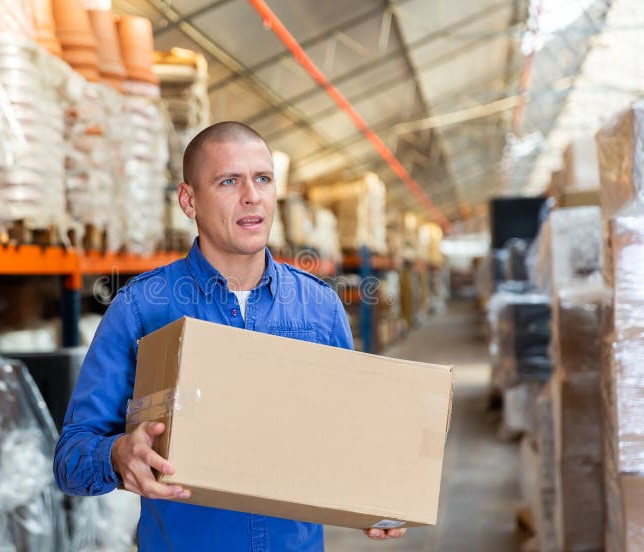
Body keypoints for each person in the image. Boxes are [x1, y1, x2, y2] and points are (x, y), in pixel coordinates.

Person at [53, 121, 407, 550]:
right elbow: (70, 459)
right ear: (189, 201)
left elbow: (350, 435)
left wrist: (375, 497)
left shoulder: (319, 308)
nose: (251, 196)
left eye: (263, 179)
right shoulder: (142, 308)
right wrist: (117, 455)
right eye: (228, 181)